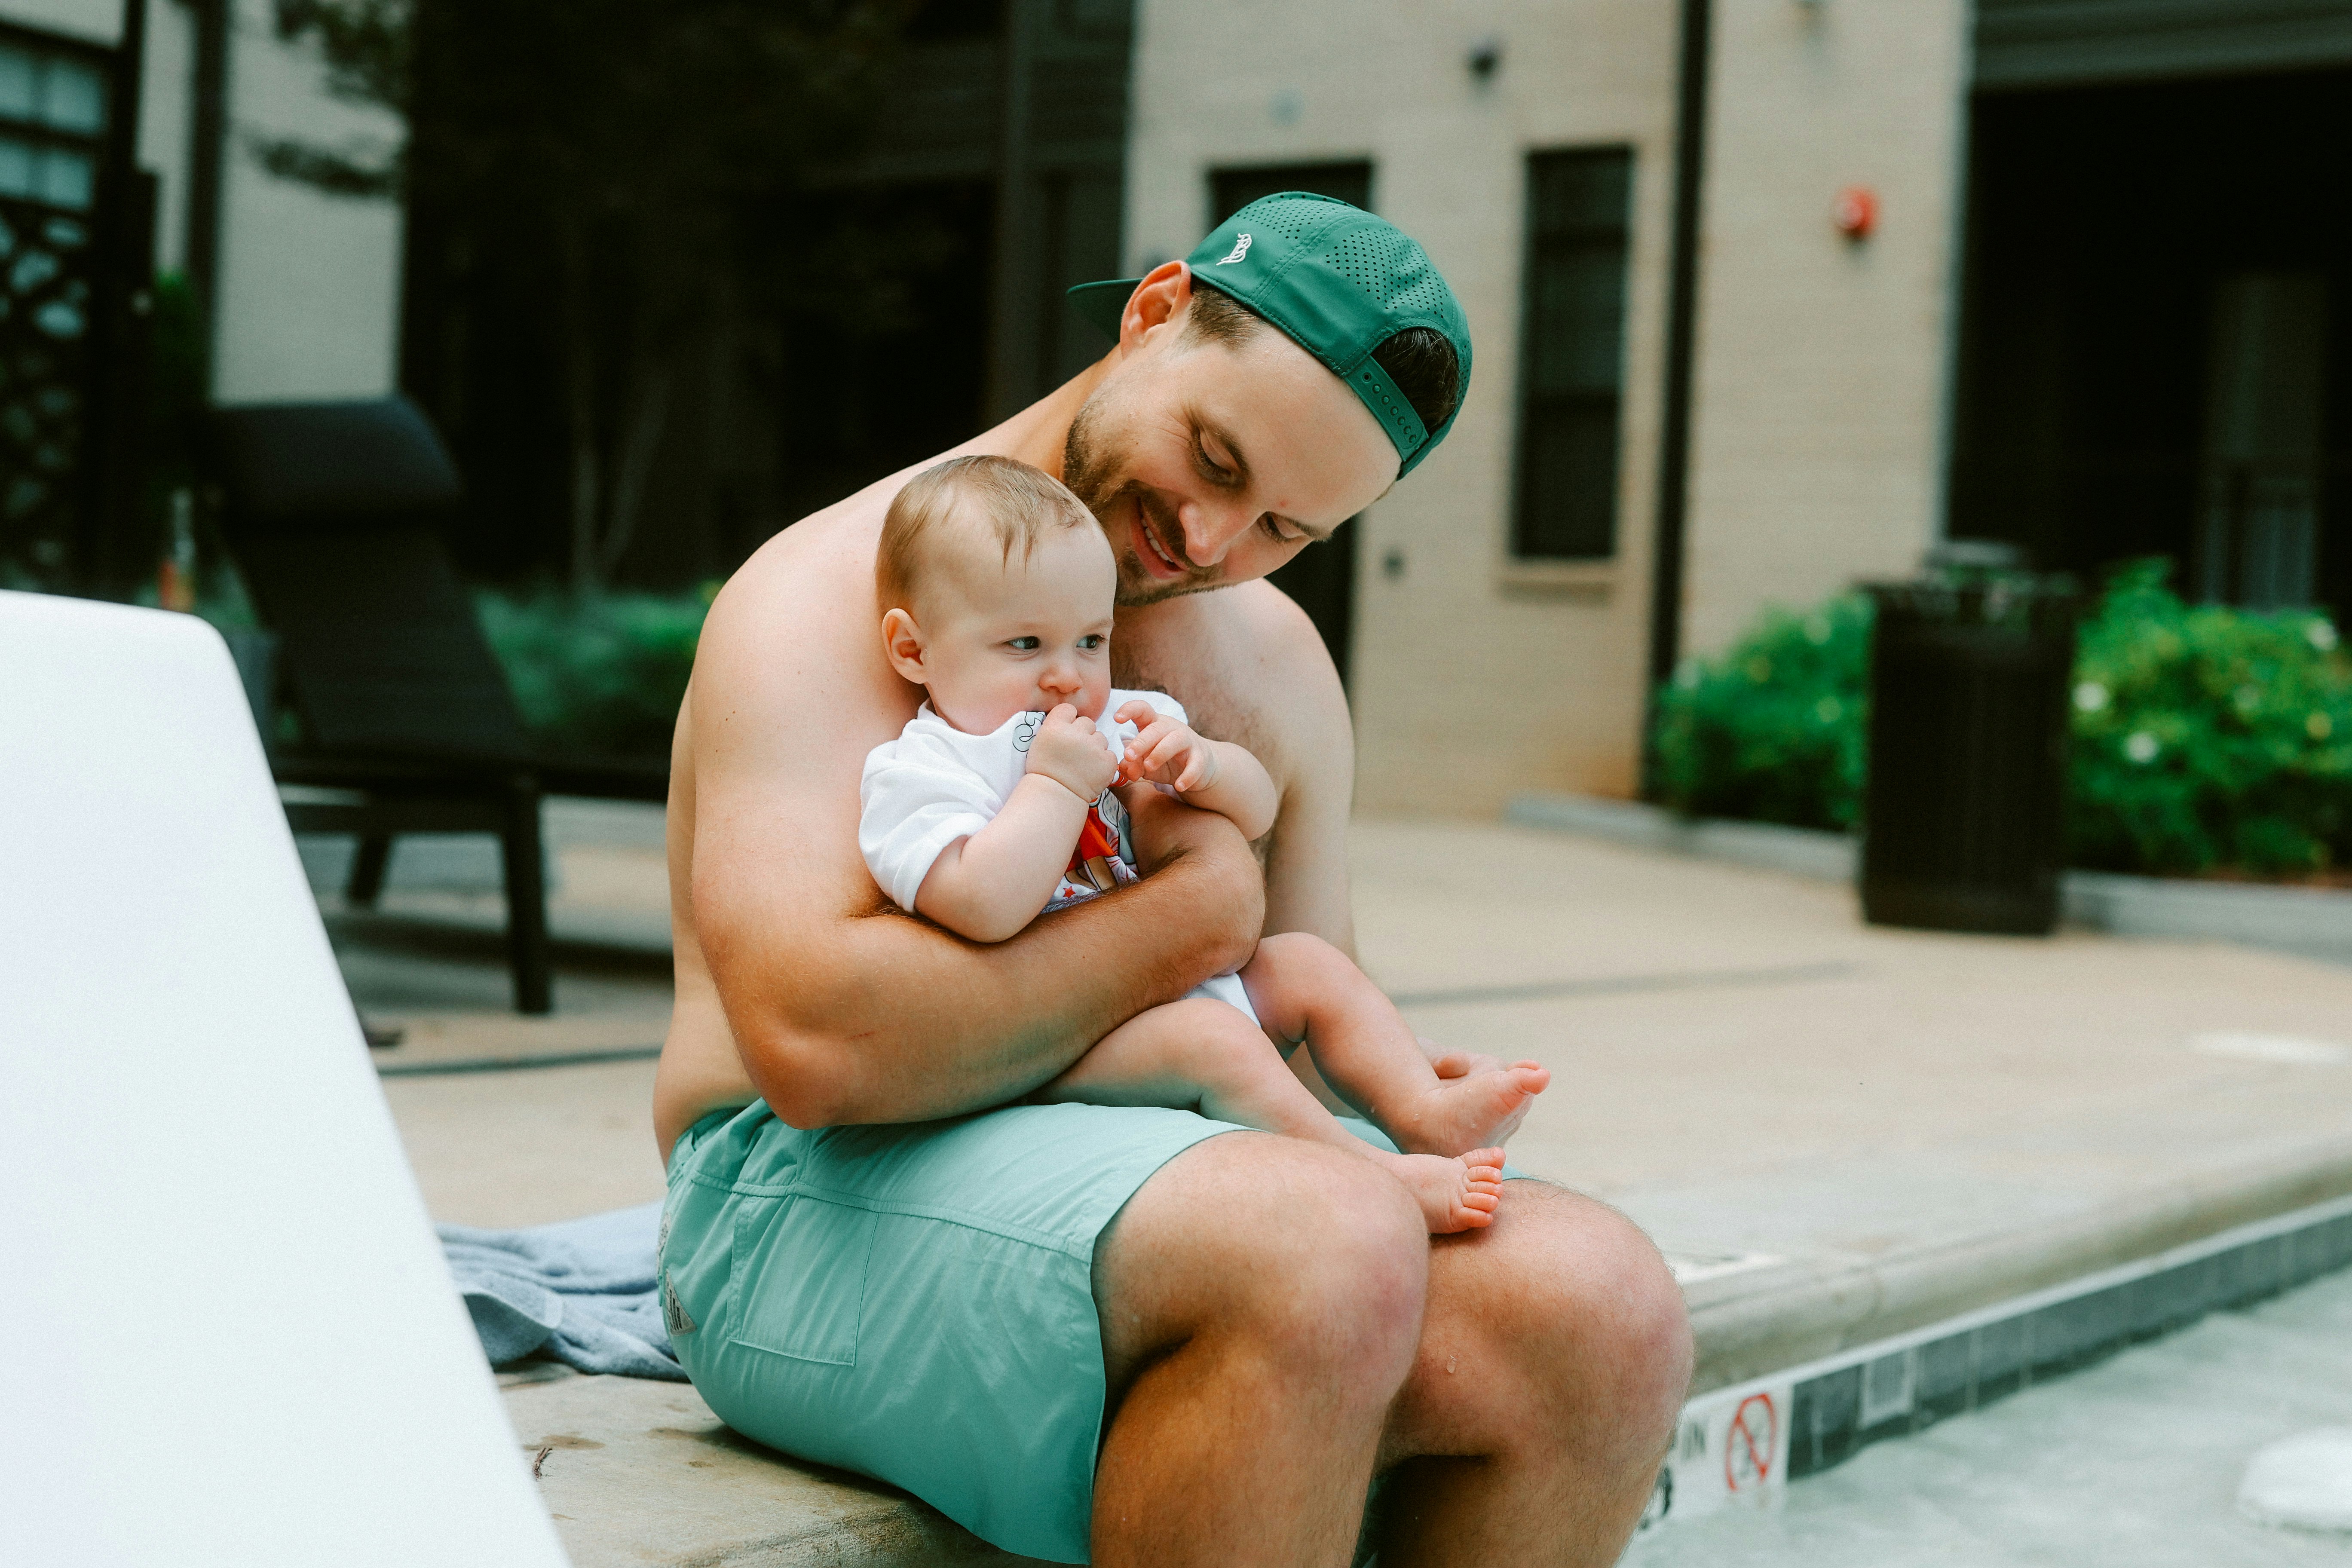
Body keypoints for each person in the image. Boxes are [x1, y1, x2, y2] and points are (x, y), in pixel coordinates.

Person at [653, 193, 1694, 1567]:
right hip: (801, 1198)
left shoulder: (1268, 665)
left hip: (1142, 1167)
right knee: (1318, 1245)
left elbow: (1294, 1051)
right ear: (1151, 314)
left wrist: (1389, 1084)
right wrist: (1196, 908)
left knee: (1605, 1307)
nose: (1209, 544)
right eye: (1213, 456)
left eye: (1283, 529)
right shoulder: (829, 599)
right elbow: (817, 1047)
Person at [858, 453, 1549, 1234]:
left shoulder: (1122, 714)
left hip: (1176, 991)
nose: (1066, 676)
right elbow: (979, 904)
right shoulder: (923, 770)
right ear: (914, 651)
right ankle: (1376, 1176)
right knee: (1216, 1042)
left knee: (1308, 965)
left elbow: (1255, 814)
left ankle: (1425, 1110)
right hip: (1052, 1046)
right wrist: (1054, 789)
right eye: (1024, 646)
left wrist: (1206, 765)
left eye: (1090, 640)